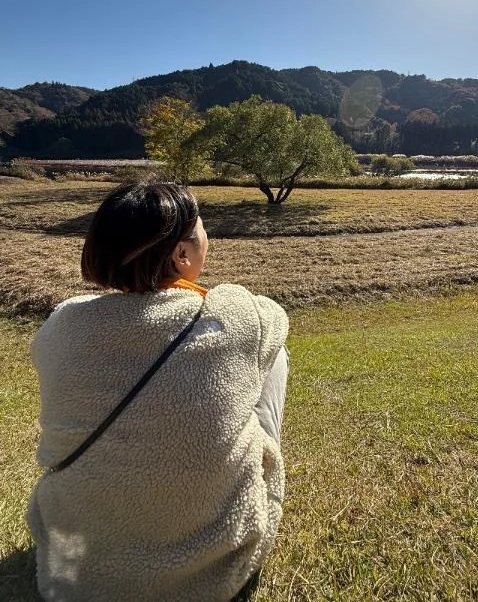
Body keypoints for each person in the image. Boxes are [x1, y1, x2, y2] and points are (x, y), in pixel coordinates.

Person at [27, 182, 289, 602]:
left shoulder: (61, 324)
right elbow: (276, 319)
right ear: (182, 255)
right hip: (212, 572)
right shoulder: (233, 315)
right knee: (272, 357)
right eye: (203, 230)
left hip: (74, 572)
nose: (209, 239)